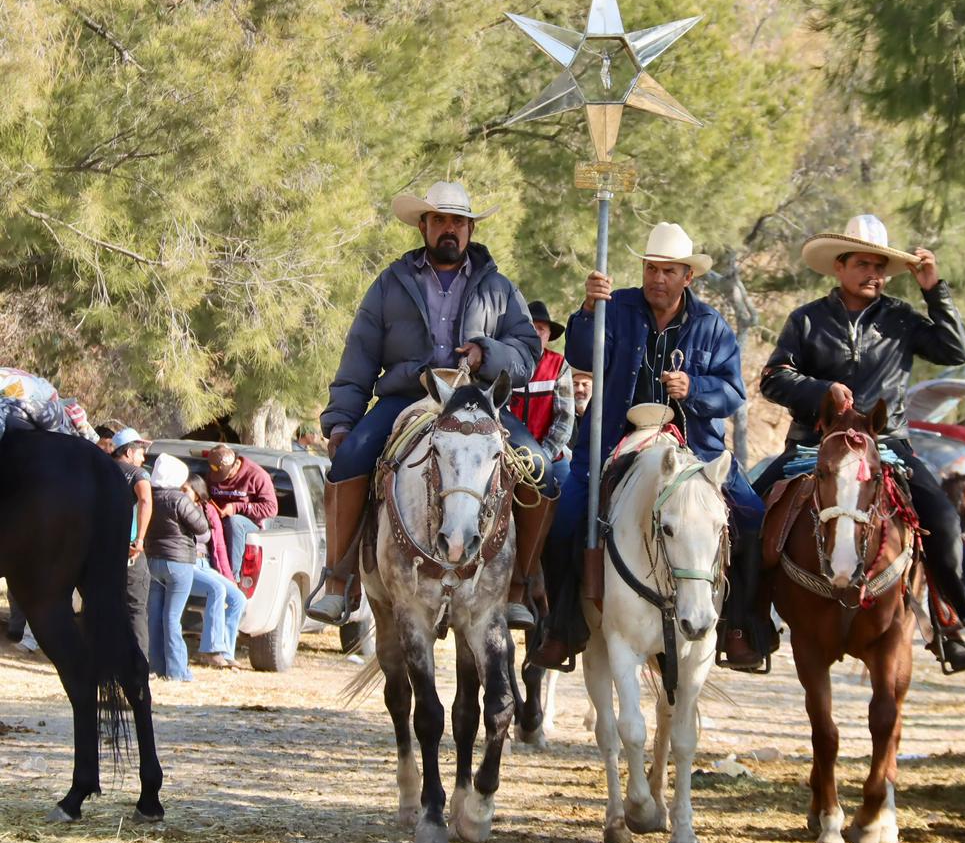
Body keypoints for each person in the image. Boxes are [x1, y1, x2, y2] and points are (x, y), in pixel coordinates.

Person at [529, 221, 765, 671]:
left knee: (751, 516)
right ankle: (561, 627)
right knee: (563, 522)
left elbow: (733, 393)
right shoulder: (614, 307)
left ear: (687, 277)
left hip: (695, 448)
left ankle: (738, 627)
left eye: (669, 271)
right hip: (611, 442)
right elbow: (580, 355)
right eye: (651, 269)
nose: (658, 278)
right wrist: (586, 307)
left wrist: (694, 387)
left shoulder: (712, 326)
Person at [313, 181, 547, 632]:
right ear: (423, 225)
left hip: (478, 403)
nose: (449, 230)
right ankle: (338, 580)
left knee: (540, 468)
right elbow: (360, 352)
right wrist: (342, 420)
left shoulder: (500, 288)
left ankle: (519, 584)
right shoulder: (390, 283)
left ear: (470, 229)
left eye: (457, 222)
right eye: (439, 220)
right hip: (407, 396)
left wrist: (485, 353)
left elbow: (525, 354)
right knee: (349, 460)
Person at [755, 214, 965, 673]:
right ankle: (746, 624)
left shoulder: (902, 319)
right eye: (863, 264)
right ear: (839, 267)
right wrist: (821, 391)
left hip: (889, 445)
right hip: (812, 448)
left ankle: (950, 623)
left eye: (880, 266)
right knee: (748, 516)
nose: (873, 273)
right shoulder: (806, 320)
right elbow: (774, 379)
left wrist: (934, 289)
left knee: (943, 519)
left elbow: (954, 351)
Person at [145, 453, 210, 682]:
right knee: (172, 617)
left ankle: (155, 667)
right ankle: (177, 671)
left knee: (153, 616)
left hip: (152, 559)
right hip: (178, 561)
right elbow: (202, 528)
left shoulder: (148, 495)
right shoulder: (179, 499)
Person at [508, 301, 576, 488]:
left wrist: (542, 458)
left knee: (567, 494)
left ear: (548, 336)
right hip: (507, 457)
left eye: (541, 329)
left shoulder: (559, 365)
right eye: (531, 327)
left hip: (549, 456)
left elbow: (565, 419)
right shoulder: (503, 362)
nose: (536, 333)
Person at [184, 475, 247, 669]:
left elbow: (218, 546)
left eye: (185, 490)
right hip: (188, 563)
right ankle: (211, 650)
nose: (181, 493)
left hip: (205, 565)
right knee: (216, 589)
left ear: (197, 492)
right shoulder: (178, 507)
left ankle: (227, 652)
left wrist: (229, 576)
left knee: (238, 598)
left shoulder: (207, 510)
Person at [111, 426, 154, 658]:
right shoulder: (138, 474)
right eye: (140, 451)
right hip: (127, 551)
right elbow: (145, 500)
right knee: (136, 608)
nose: (143, 457)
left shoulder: (98, 468)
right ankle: (139, 663)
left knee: (99, 606)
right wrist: (139, 539)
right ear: (128, 452)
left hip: (98, 552)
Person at [205, 444, 278, 579]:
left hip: (248, 524)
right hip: (219, 521)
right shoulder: (212, 474)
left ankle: (232, 577)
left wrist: (235, 508)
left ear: (236, 463)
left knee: (234, 521)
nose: (224, 479)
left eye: (227, 475)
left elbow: (271, 508)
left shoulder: (257, 475)